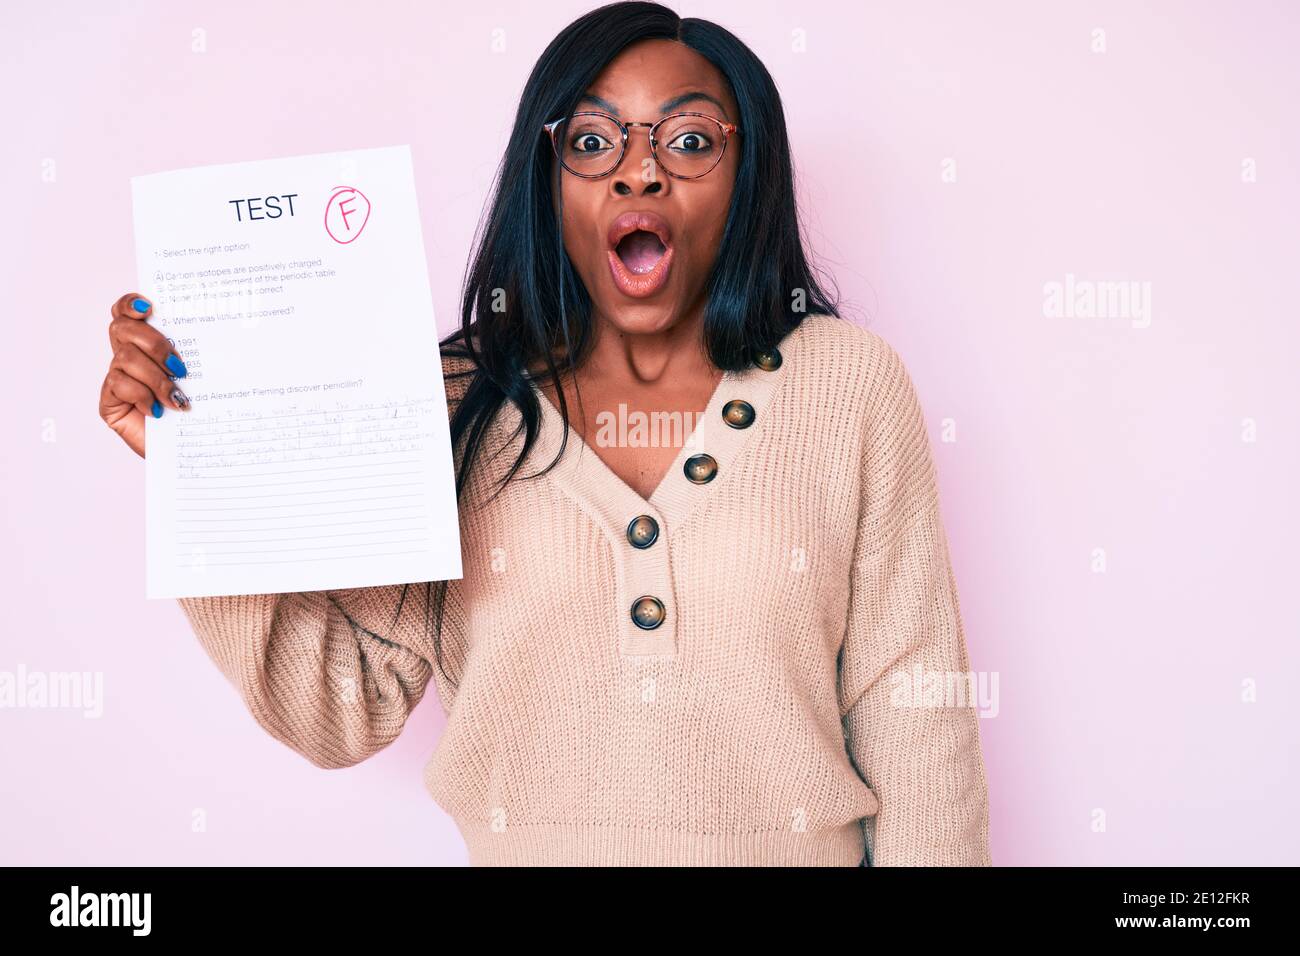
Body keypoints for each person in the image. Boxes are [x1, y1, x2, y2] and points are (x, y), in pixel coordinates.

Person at [98, 1, 991, 867]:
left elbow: (916, 722)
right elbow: (340, 708)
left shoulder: (850, 387)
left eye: (688, 141)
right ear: (548, 175)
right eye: (593, 142)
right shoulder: (452, 399)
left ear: (747, 172)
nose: (638, 173)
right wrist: (192, 468)